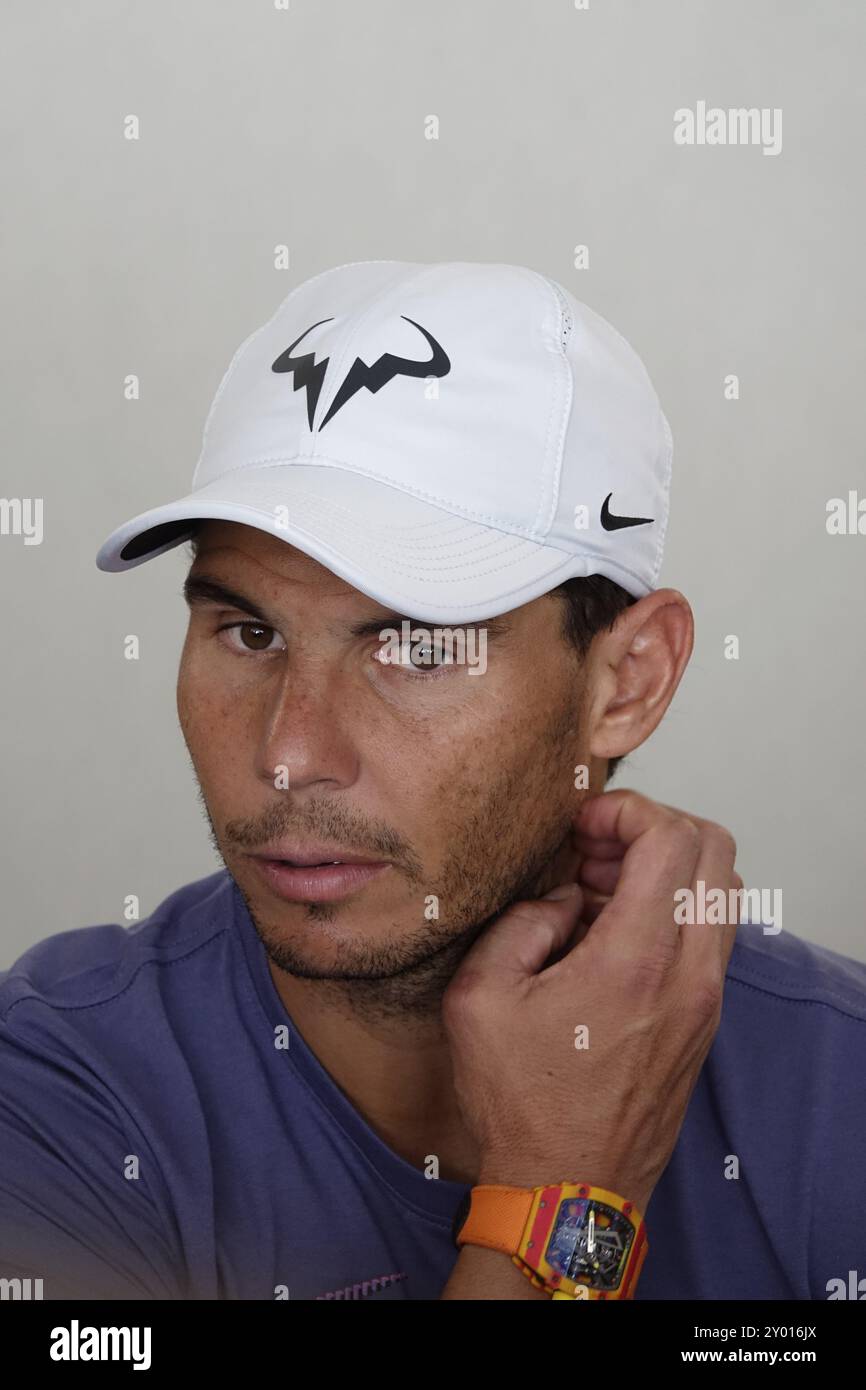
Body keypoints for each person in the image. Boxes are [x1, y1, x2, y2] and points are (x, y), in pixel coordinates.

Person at [1, 261, 864, 1301]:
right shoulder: (58, 1087)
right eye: (249, 630)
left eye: (415, 649)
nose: (289, 752)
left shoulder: (835, 1095)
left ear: (624, 682)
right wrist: (563, 1193)